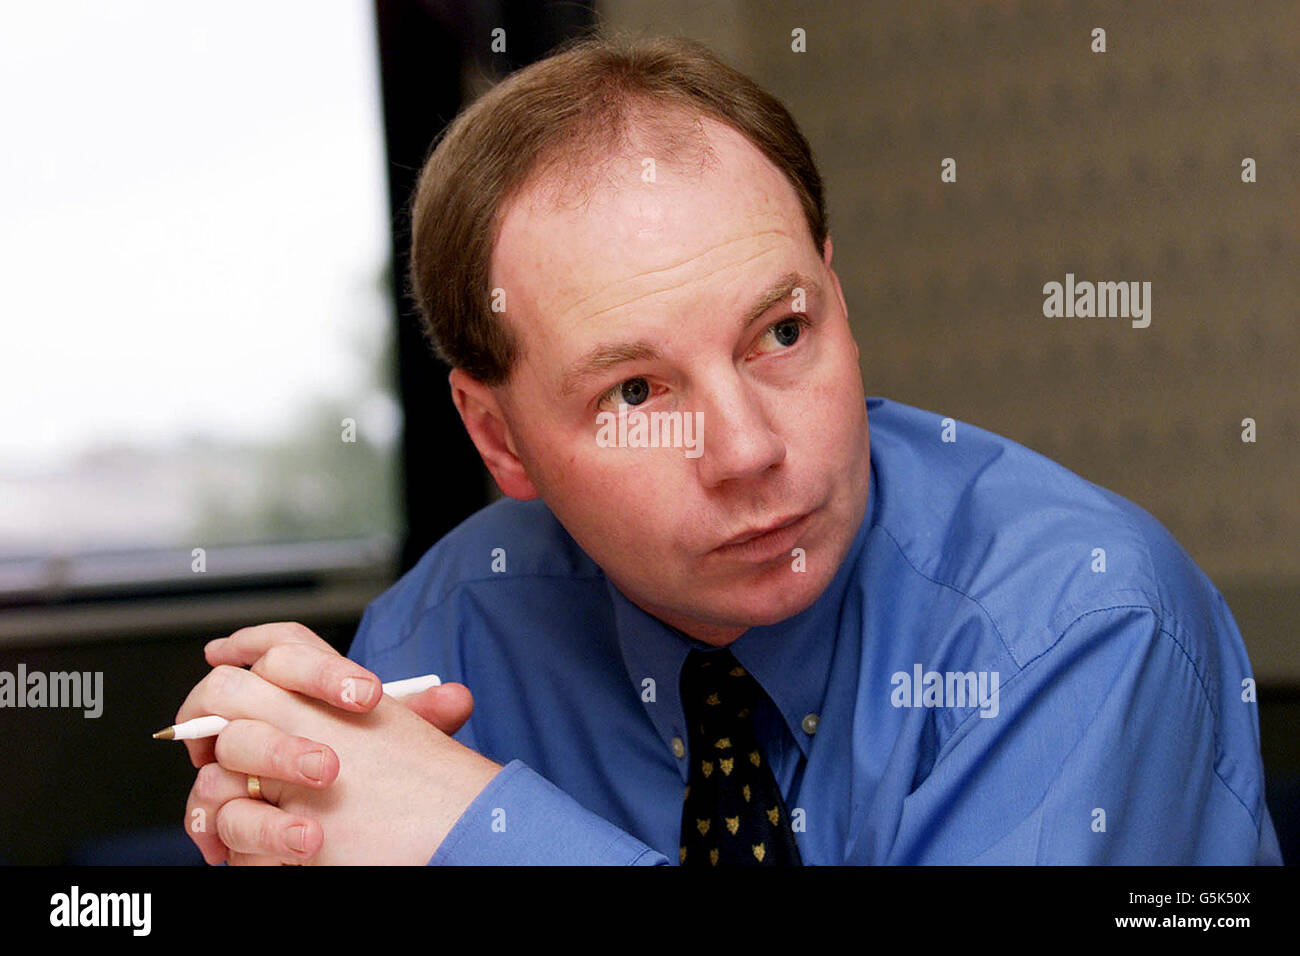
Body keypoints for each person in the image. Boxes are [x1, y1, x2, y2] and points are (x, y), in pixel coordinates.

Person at [176, 33, 1282, 865]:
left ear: (837, 294)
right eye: (638, 388)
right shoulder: (450, 625)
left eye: (781, 332)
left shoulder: (1082, 620)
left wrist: (473, 831)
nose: (749, 449)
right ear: (498, 437)